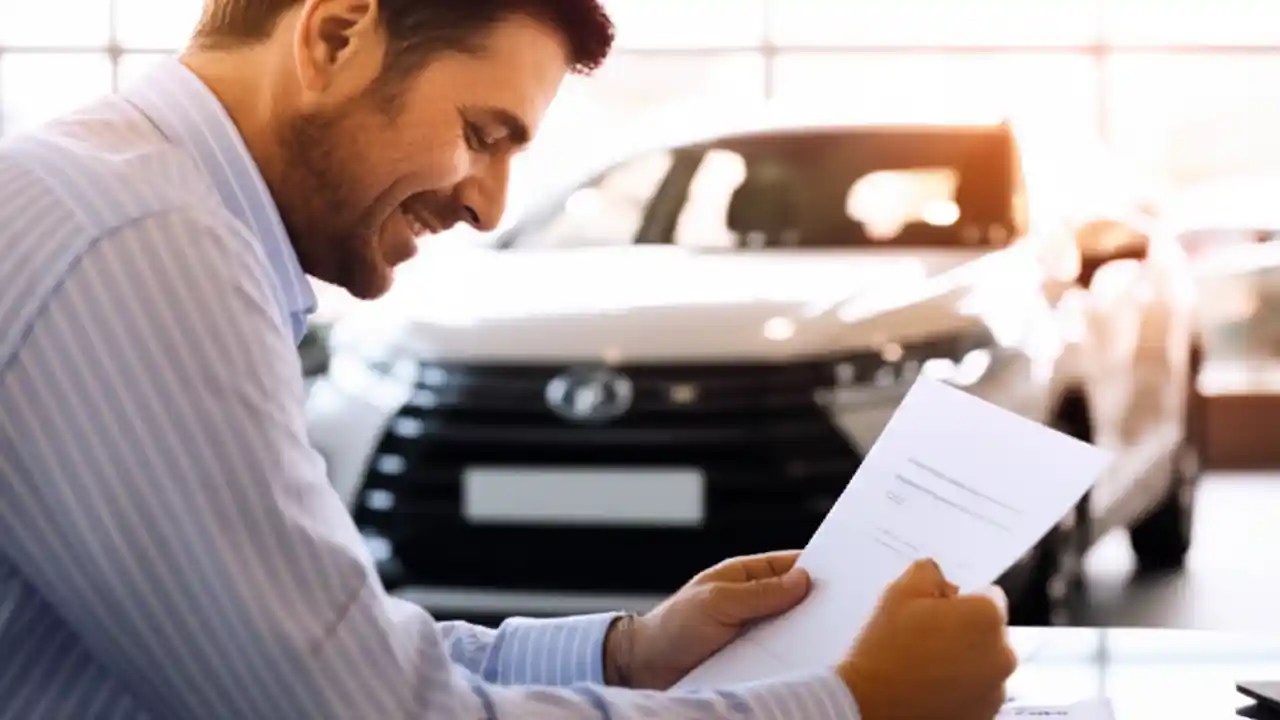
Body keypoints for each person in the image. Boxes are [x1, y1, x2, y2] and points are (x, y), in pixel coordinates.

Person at [0, 1, 1017, 717]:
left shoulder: (127, 200)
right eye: (480, 134)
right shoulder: (147, 243)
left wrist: (632, 651)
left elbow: (310, 654)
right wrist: (852, 707)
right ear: (337, 34)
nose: (488, 202)